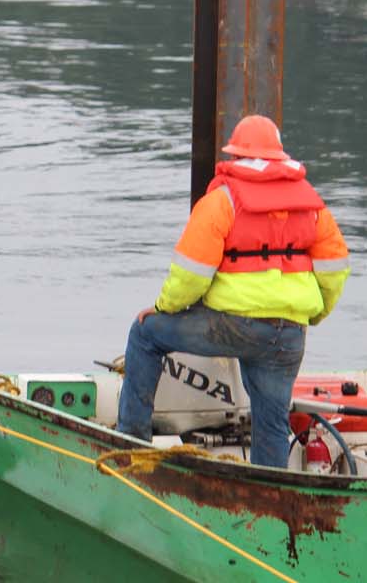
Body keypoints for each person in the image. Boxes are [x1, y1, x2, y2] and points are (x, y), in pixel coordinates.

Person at [116, 115, 351, 468]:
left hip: (234, 326)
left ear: (236, 155)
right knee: (271, 424)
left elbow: (190, 275)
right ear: (279, 155)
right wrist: (311, 315)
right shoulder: (312, 206)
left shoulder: (222, 200)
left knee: (145, 334)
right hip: (288, 333)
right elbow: (335, 270)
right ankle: (268, 497)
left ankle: (130, 443)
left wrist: (164, 307)